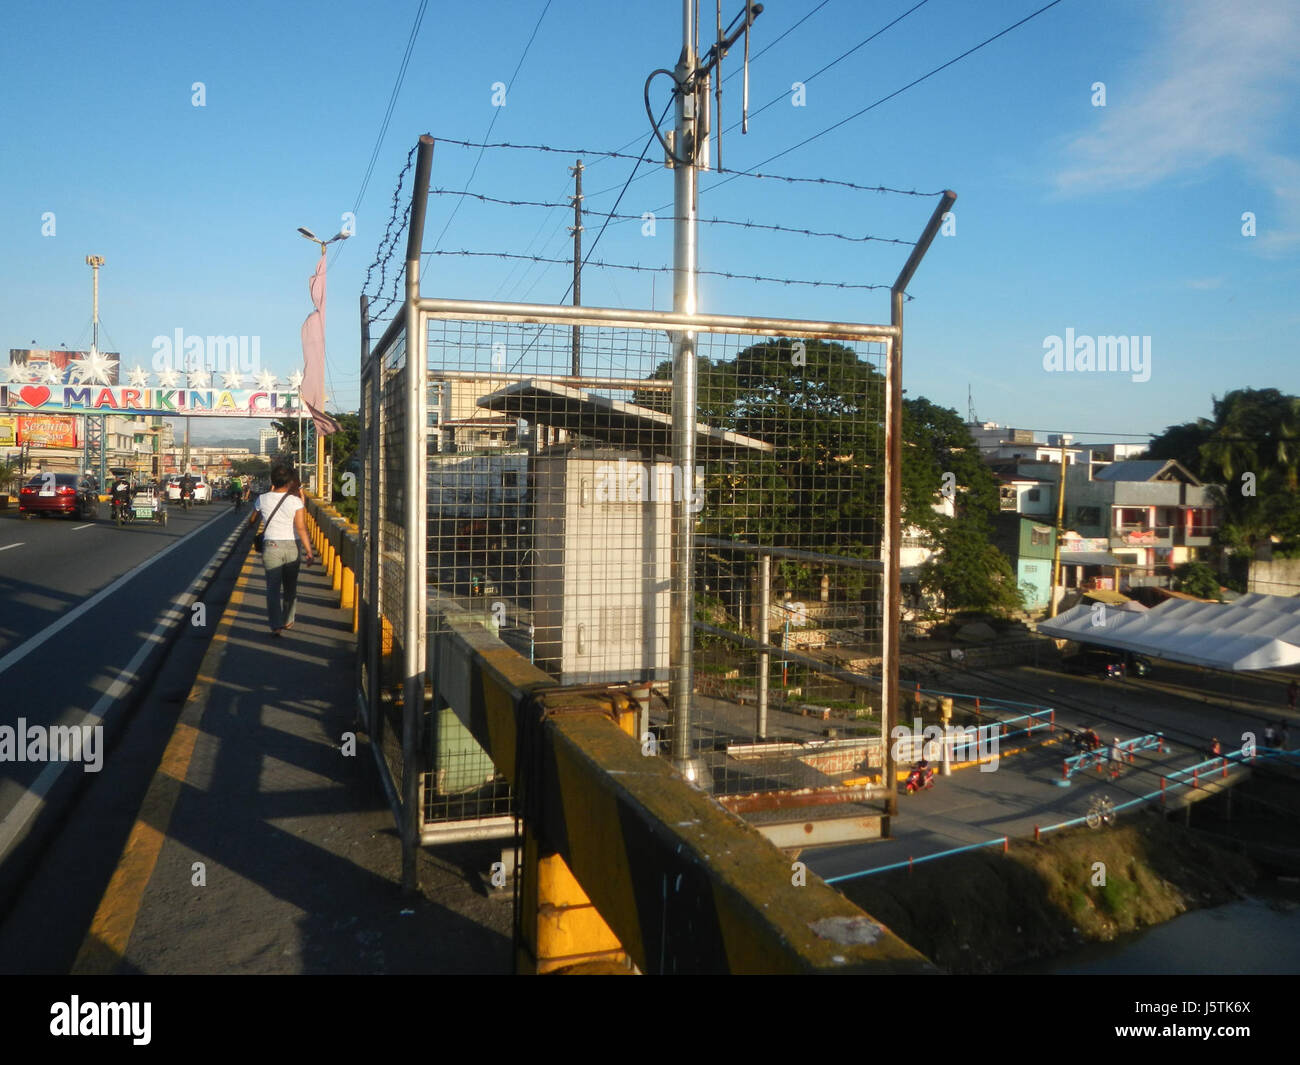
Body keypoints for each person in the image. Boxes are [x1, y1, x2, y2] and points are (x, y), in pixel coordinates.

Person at [248, 464, 315, 636]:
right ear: (290, 482)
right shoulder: (295, 501)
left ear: (273, 481)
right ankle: (288, 620)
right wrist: (309, 551)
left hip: (272, 547)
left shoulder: (262, 499)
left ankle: (276, 625)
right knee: (290, 587)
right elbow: (301, 528)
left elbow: (252, 520)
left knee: (272, 588)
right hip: (292, 546)